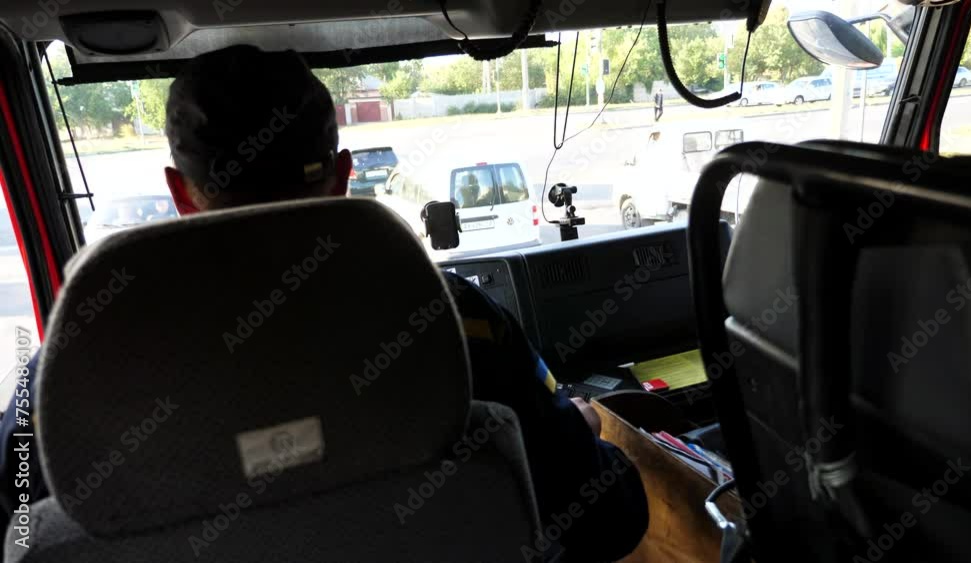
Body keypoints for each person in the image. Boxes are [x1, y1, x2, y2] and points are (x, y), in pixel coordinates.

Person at [0, 45, 647, 561]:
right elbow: (610, 523)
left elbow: (21, 530)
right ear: (341, 177)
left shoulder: (69, 380)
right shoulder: (451, 324)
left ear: (180, 190)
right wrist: (589, 434)